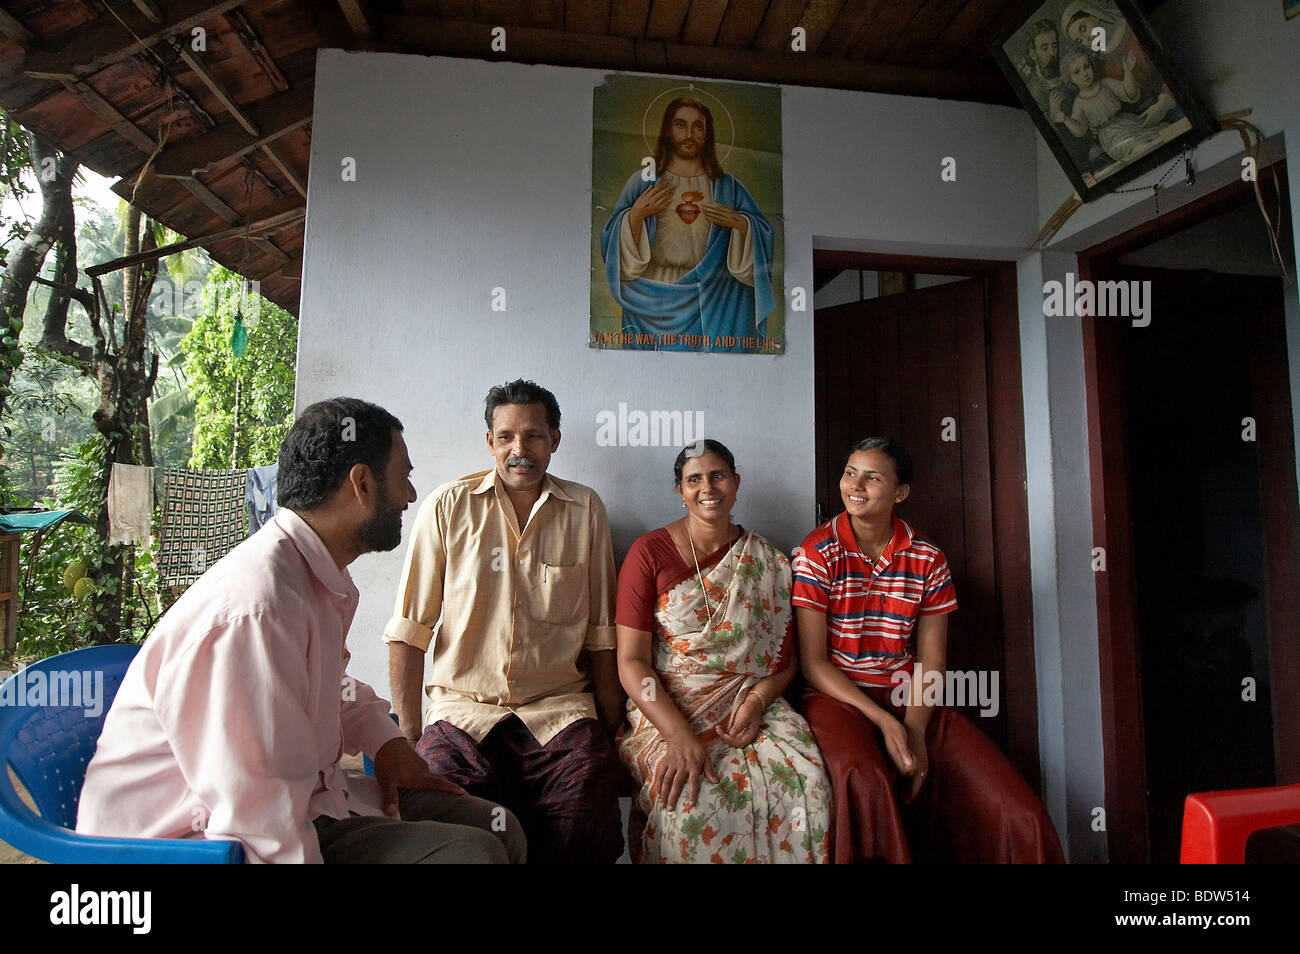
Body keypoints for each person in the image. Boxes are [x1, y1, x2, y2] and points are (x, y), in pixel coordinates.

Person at [77, 398, 525, 864]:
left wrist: (386, 742)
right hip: (197, 842)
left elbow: (327, 689)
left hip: (304, 804)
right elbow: (255, 817)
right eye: (404, 476)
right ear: (362, 483)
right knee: (471, 855)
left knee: (499, 827)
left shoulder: (313, 576)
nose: (411, 496)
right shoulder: (259, 609)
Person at [385, 379, 625, 863]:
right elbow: (409, 633)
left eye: (534, 436)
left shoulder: (585, 511)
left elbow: (602, 636)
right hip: (463, 712)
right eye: (507, 437)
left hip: (558, 710)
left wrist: (613, 730)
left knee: (586, 803)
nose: (521, 450)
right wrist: (409, 739)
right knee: (441, 811)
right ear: (489, 442)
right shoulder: (447, 507)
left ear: (554, 439)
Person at [793, 437, 1062, 863]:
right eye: (850, 473)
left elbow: (933, 660)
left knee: (1017, 811)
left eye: (872, 477)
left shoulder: (928, 558)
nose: (855, 485)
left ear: (900, 493)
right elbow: (813, 663)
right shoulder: (816, 554)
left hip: (910, 695)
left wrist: (914, 730)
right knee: (865, 780)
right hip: (836, 696)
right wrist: (885, 723)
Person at [615, 439, 831, 863]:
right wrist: (679, 738)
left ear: (736, 482)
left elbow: (786, 664)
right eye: (694, 479)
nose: (707, 488)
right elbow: (631, 661)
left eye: (718, 476)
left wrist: (755, 702)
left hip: (751, 706)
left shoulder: (769, 561)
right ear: (679, 490)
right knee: (692, 804)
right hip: (666, 705)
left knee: (808, 784)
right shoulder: (649, 553)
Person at [599, 96, 776, 352]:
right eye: (681, 125)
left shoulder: (728, 188)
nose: (689, 134)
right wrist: (636, 215)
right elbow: (612, 248)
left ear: (708, 134)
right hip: (653, 308)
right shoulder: (643, 183)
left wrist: (740, 224)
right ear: (668, 131)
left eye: (698, 126)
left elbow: (763, 240)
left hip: (716, 305)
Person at [1052, 50, 1174, 166]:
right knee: (1138, 147)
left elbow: (1128, 92)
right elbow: (1080, 129)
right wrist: (1065, 119)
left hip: (1128, 122)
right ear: (1070, 79)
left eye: (1086, 67)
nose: (1084, 73)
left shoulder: (1105, 83)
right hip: (1111, 136)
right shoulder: (1079, 103)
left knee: (1162, 133)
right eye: (1077, 72)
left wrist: (1128, 71)